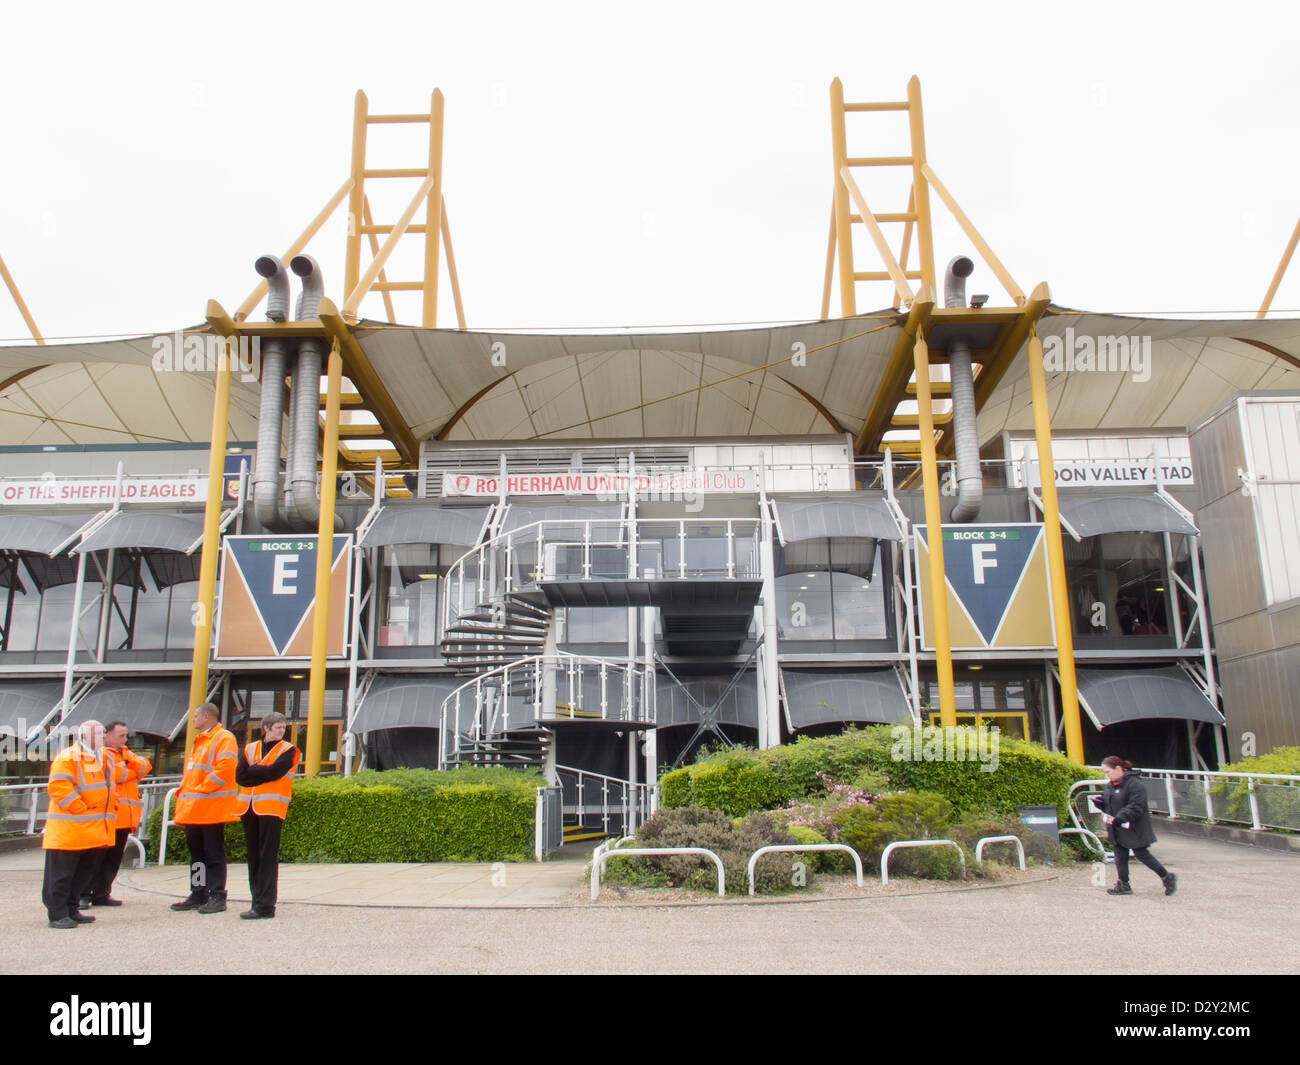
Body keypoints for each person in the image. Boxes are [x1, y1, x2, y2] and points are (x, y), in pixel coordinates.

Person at [41, 720, 116, 929]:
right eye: (100, 734)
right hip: (70, 830)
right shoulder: (68, 757)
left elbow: (109, 789)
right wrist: (80, 808)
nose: (104, 737)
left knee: (81, 875)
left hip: (92, 830)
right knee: (61, 876)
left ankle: (72, 909)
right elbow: (58, 787)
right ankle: (57, 913)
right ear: (86, 736)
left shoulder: (104, 757)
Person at [170, 702, 239, 914]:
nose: (193, 720)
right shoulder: (201, 741)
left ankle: (217, 895)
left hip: (210, 808)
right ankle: (198, 892)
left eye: (196, 716)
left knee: (213, 854)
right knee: (197, 855)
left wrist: (202, 789)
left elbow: (226, 767)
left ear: (207, 716)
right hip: (195, 809)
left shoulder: (223, 738)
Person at [234, 712, 300, 920]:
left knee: (267, 857)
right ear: (266, 728)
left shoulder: (289, 750)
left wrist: (255, 770)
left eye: (283, 727)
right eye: (278, 727)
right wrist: (260, 772)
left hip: (272, 809)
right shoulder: (250, 748)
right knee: (253, 856)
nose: (282, 731)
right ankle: (256, 901)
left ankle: (266, 905)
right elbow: (241, 777)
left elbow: (275, 773)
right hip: (249, 808)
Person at [82, 720, 151, 908]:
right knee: (97, 858)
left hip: (124, 816)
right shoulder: (103, 754)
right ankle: (84, 894)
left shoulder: (126, 753)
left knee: (113, 859)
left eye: (126, 735)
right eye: (121, 735)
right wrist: (133, 769)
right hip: (111, 815)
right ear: (108, 736)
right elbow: (117, 775)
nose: (125, 739)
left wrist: (132, 766)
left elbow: (146, 767)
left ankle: (102, 893)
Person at [1095, 755, 1177, 896]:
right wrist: (1101, 803)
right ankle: (1123, 883)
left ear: (1118, 769)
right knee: (1119, 855)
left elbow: (1136, 806)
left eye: (1108, 771)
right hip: (1116, 827)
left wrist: (1121, 817)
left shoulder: (1134, 784)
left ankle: (1166, 877)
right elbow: (1110, 801)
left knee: (1142, 854)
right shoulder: (1110, 784)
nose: (1106, 775)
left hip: (1133, 827)